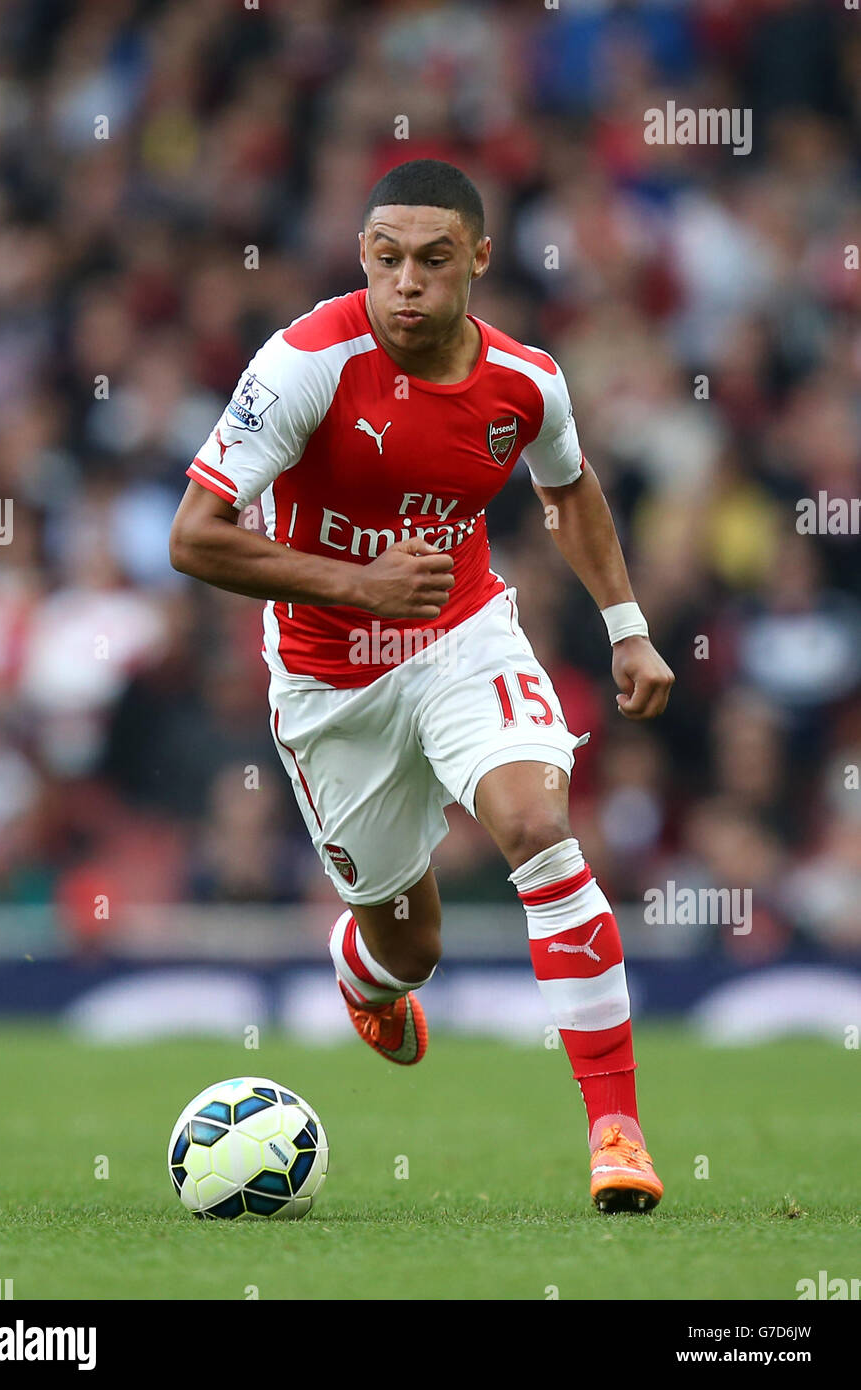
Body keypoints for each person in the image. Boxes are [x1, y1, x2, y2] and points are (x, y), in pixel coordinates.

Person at [170, 160, 675, 1212]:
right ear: (363, 258)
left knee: (538, 827)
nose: (407, 283)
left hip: (461, 638)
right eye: (386, 259)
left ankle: (615, 1130)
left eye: (433, 261)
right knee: (414, 941)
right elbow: (195, 539)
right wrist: (359, 583)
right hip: (327, 681)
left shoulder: (525, 381)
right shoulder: (305, 362)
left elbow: (569, 488)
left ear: (478, 261)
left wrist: (626, 629)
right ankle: (368, 969)